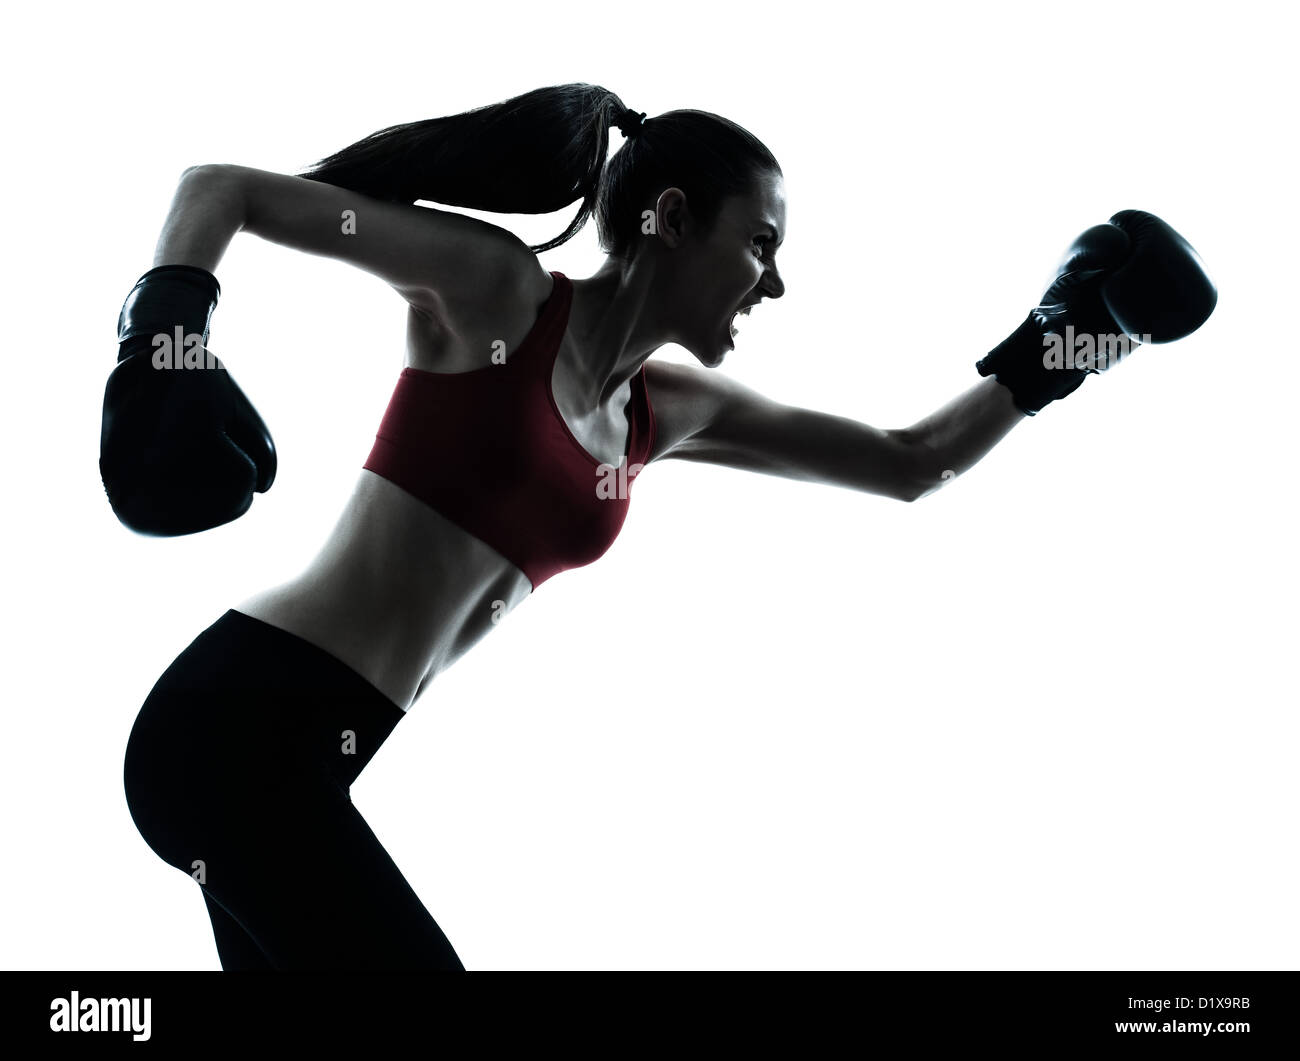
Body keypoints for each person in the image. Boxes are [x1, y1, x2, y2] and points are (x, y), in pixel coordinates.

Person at [107, 83, 1216, 971]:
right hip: (235, 729)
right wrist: (167, 342)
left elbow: (911, 462)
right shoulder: (499, 298)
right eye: (759, 244)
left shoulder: (661, 412)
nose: (772, 283)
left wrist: (1070, 340)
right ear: (673, 218)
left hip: (300, 760)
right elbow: (222, 191)